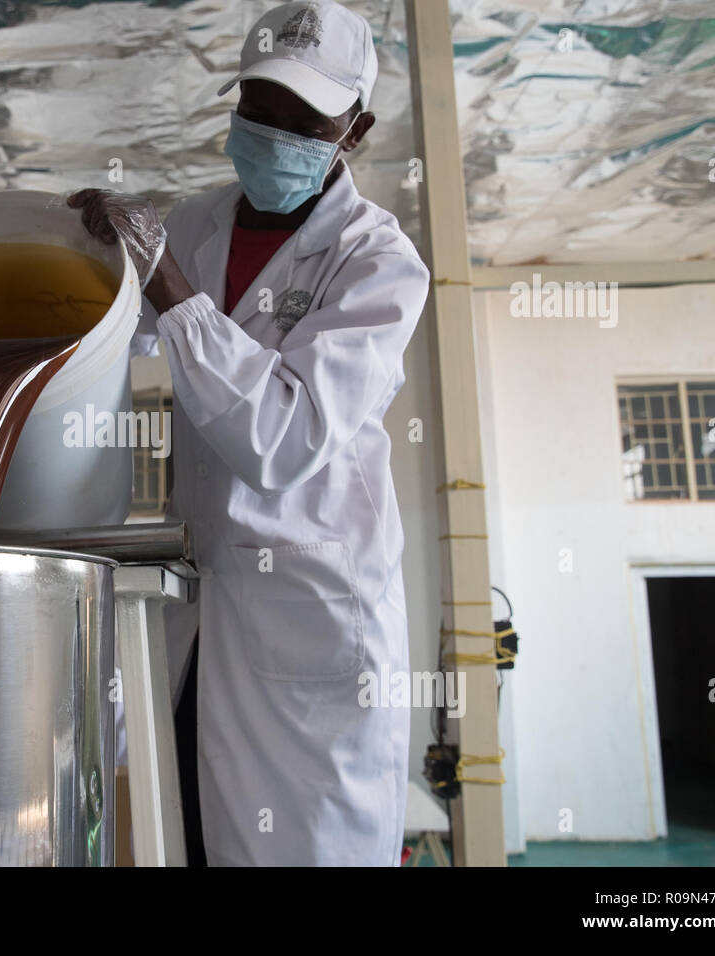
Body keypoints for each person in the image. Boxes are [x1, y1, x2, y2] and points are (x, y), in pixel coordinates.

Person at [68, 0, 429, 865]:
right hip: (201, 608)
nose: (273, 134)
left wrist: (170, 290)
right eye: (258, 111)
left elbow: (283, 436)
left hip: (310, 624)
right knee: (180, 830)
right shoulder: (196, 223)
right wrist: (81, 257)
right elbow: (119, 324)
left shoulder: (378, 262)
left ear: (355, 128)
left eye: (304, 121)